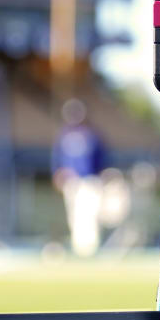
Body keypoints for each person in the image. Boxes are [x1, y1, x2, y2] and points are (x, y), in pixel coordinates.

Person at [52, 99, 109, 257]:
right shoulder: (64, 135)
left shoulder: (92, 135)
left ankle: (90, 249)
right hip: (72, 181)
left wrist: (99, 176)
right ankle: (79, 248)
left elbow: (101, 158)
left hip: (90, 180)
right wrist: (58, 172)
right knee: (74, 215)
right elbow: (58, 158)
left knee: (90, 214)